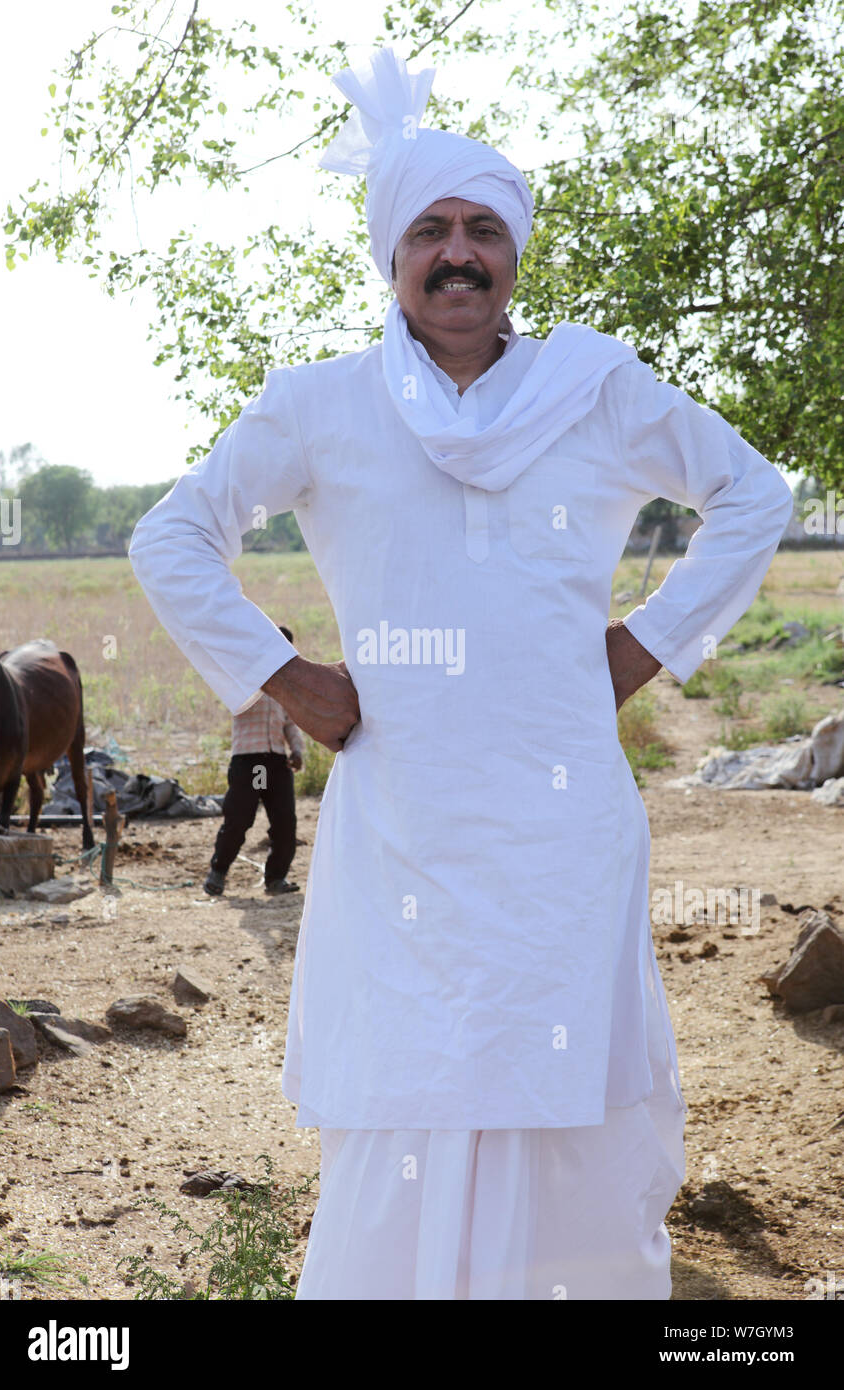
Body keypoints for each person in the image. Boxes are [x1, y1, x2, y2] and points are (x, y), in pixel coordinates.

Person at [128, 47, 794, 1299]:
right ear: (390, 256)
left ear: (513, 255)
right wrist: (283, 676)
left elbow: (752, 495)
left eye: (482, 228)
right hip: (405, 831)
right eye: (428, 227)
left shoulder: (593, 390)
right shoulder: (319, 406)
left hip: (560, 833)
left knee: (573, 1108)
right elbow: (170, 534)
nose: (456, 253)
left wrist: (643, 644)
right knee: (409, 1098)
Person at [203, 624, 304, 897]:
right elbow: (236, 702)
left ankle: (276, 879)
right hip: (252, 763)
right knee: (239, 819)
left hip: (276, 763)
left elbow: (290, 724)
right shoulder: (242, 677)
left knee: (285, 822)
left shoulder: (286, 687)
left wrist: (297, 751)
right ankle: (218, 873)